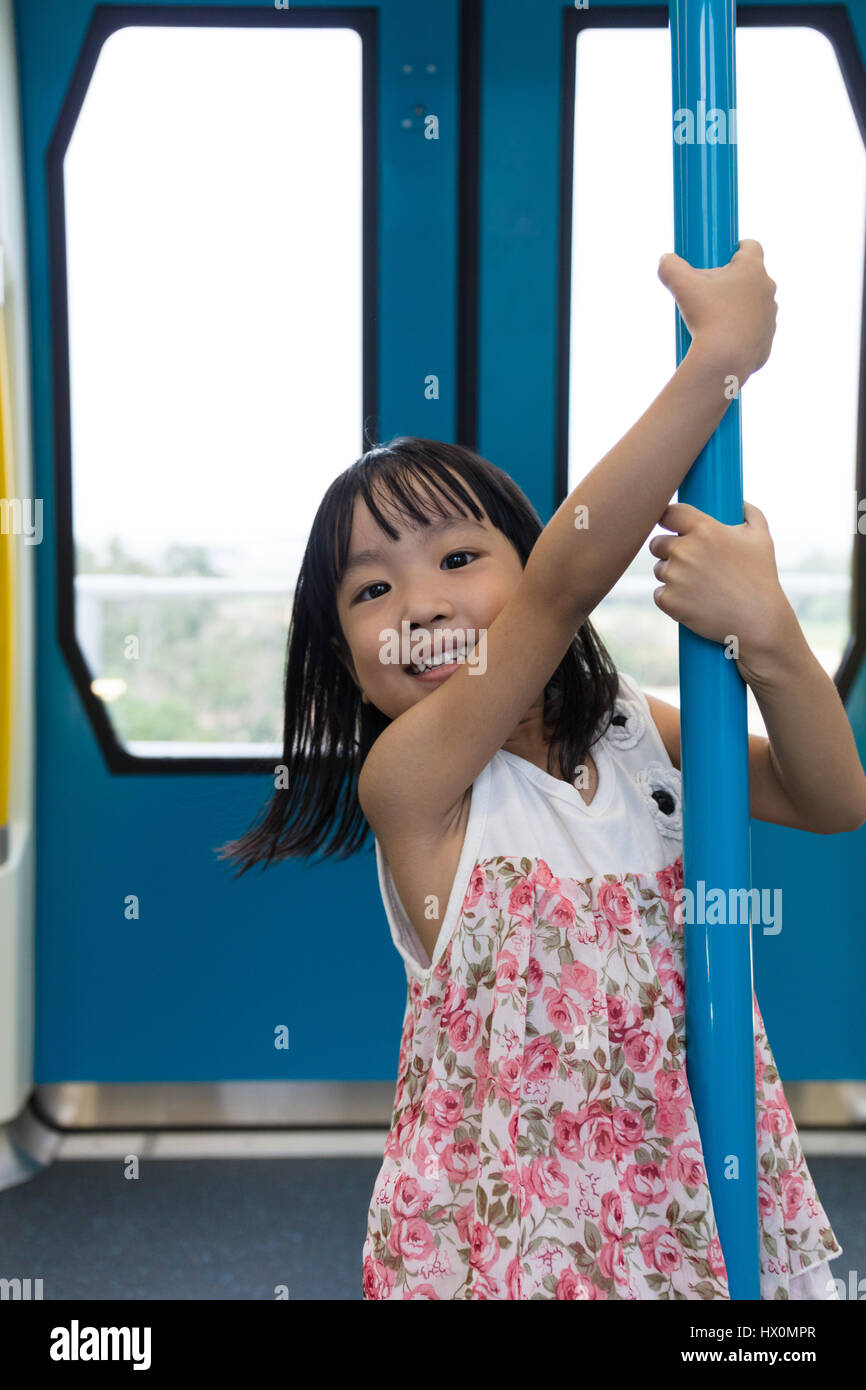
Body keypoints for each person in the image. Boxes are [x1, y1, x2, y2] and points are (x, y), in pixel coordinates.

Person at [220, 241, 862, 1299]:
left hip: (687, 1198)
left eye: (458, 559)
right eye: (369, 592)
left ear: (514, 562)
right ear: (342, 657)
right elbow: (562, 590)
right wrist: (721, 359)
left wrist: (769, 634)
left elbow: (828, 797)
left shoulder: (620, 728)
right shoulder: (411, 781)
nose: (419, 606)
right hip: (514, 1240)